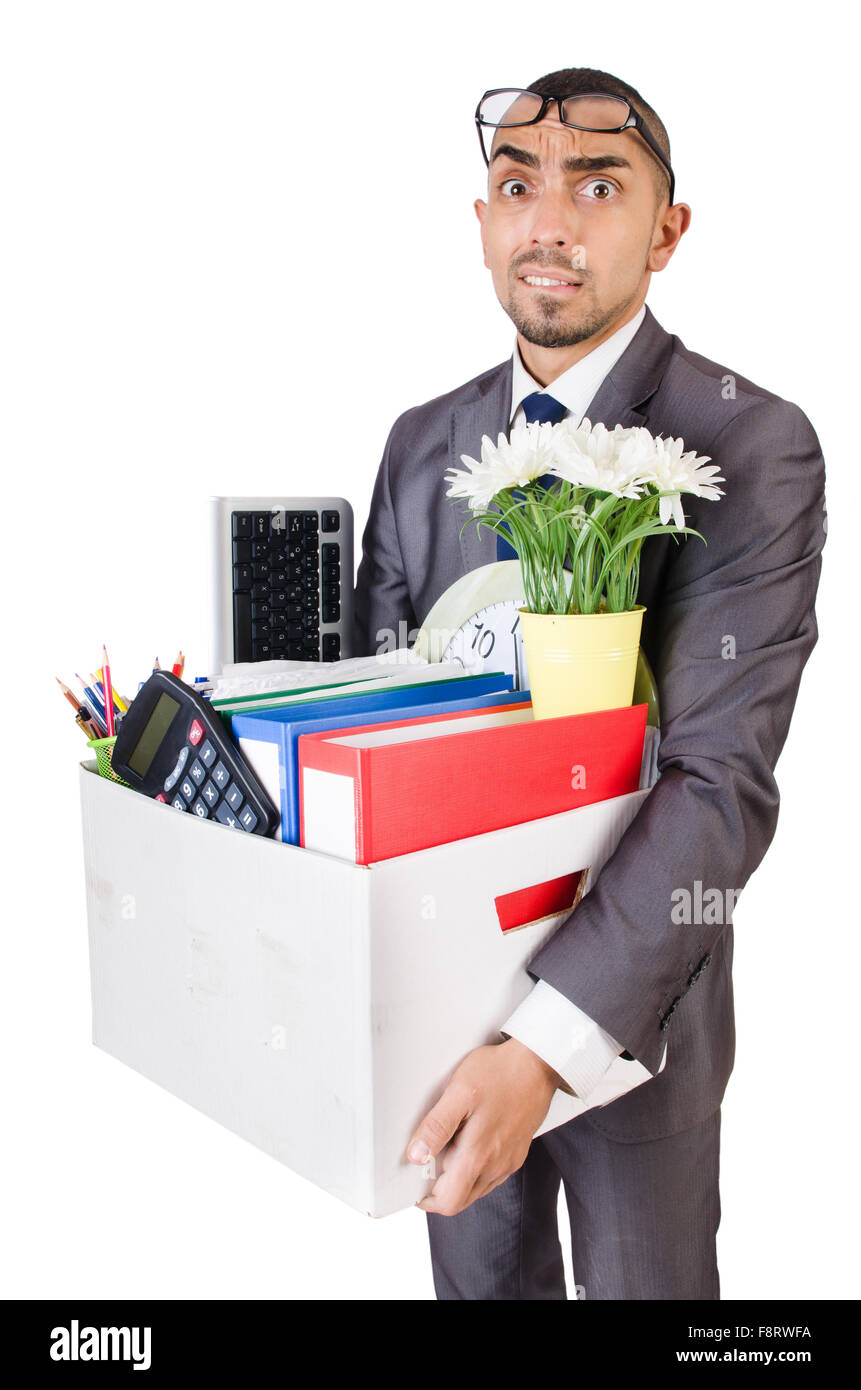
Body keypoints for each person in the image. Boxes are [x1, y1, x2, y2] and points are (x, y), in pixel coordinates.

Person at [352, 66, 827, 1300]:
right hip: (437, 1023)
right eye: (517, 186)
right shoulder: (420, 443)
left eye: (598, 186)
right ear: (481, 222)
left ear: (667, 231)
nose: (549, 222)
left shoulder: (751, 440)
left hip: (637, 1021)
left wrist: (547, 1046)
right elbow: (371, 729)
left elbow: (719, 783)